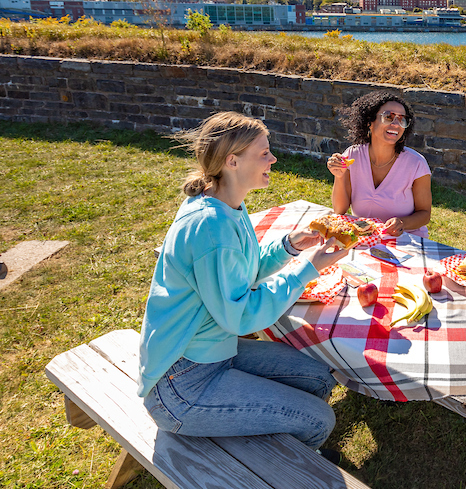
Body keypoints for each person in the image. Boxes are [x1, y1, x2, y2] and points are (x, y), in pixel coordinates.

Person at [137, 111, 350, 449]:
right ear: (232, 161)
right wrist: (309, 268)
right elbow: (241, 315)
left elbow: (243, 271)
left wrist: (289, 246)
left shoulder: (224, 205)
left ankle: (273, 435)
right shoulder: (211, 226)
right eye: (264, 152)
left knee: (319, 377)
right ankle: (289, 479)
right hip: (181, 384)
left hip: (213, 354)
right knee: (318, 418)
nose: (273, 158)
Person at [326, 91, 432, 238]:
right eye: (388, 117)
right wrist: (339, 176)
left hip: (406, 241)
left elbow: (425, 214)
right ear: (369, 122)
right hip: (365, 237)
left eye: (402, 119)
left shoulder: (417, 164)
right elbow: (339, 209)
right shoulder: (352, 155)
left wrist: (402, 223)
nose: (396, 124)